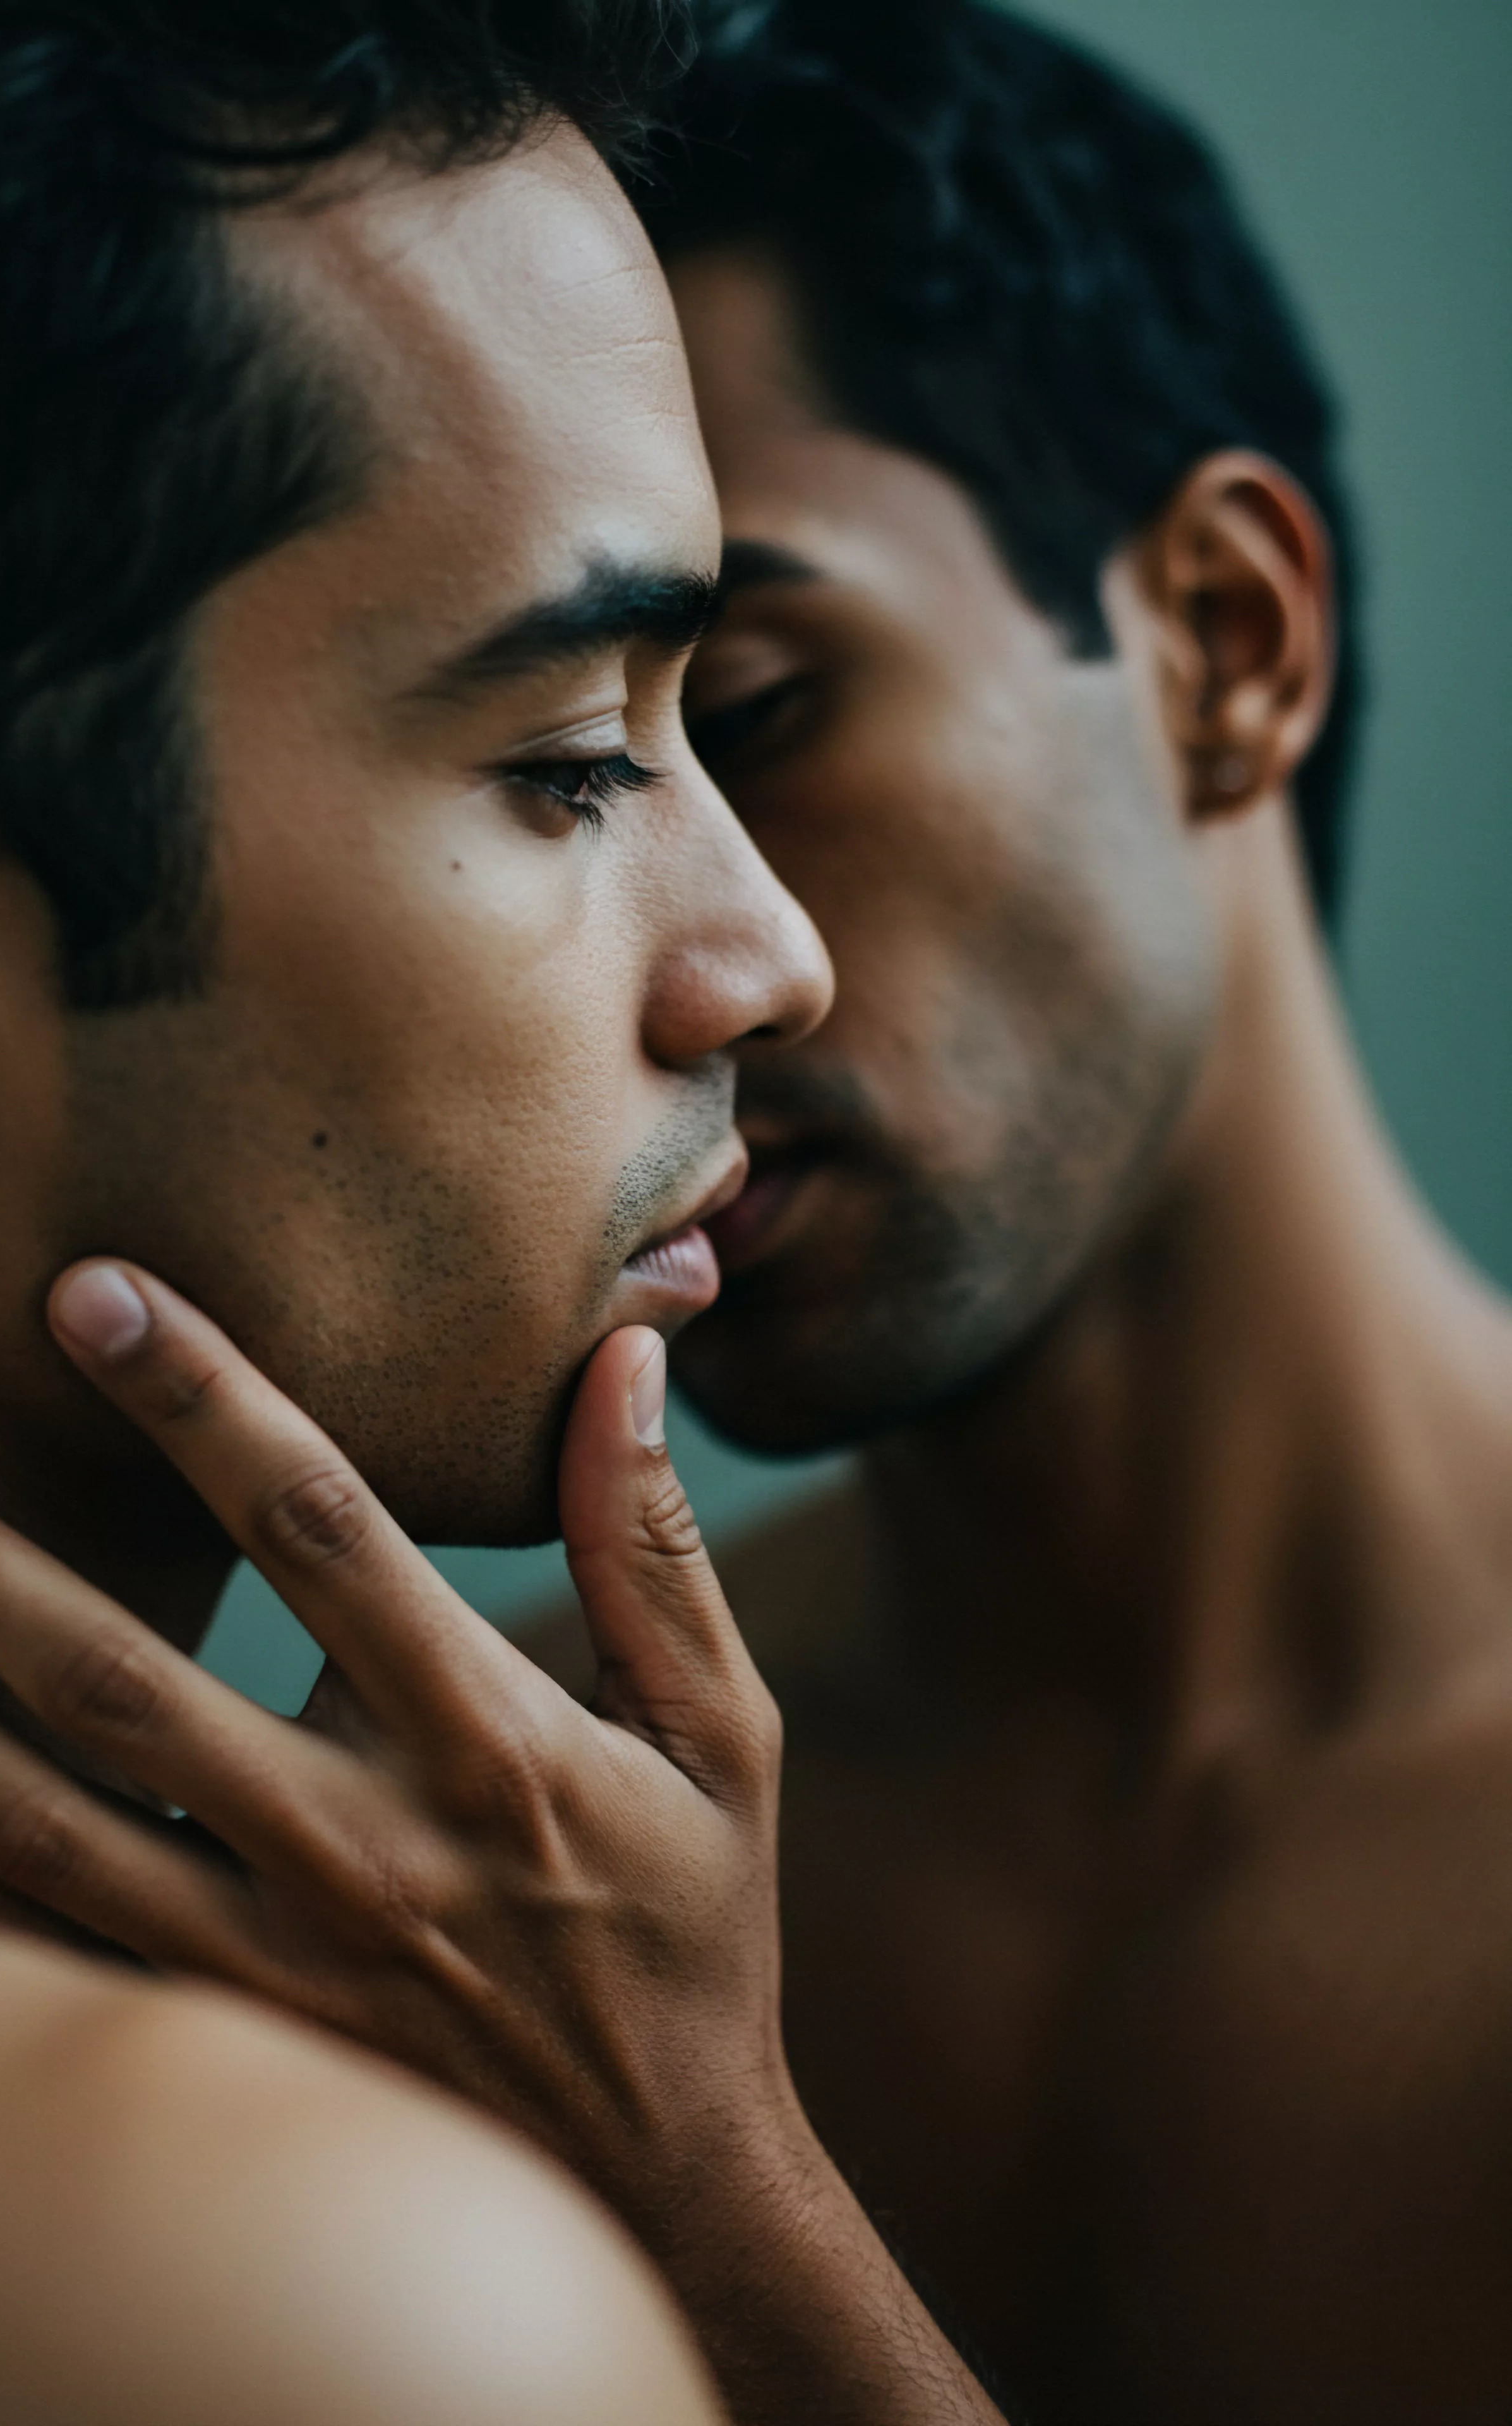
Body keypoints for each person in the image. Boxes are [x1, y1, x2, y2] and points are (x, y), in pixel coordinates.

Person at [0, 5, 1009, 2423]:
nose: (773, 955)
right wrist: (718, 2203)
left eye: (718, 718)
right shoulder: (316, 2307)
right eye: (574, 765)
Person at [615, 3, 1511, 2420]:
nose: (673, 954)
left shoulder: (594, 1988)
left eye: (764, 703)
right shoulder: (523, 1845)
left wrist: (712, 2189)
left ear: (1227, 640)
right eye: (545, 779)